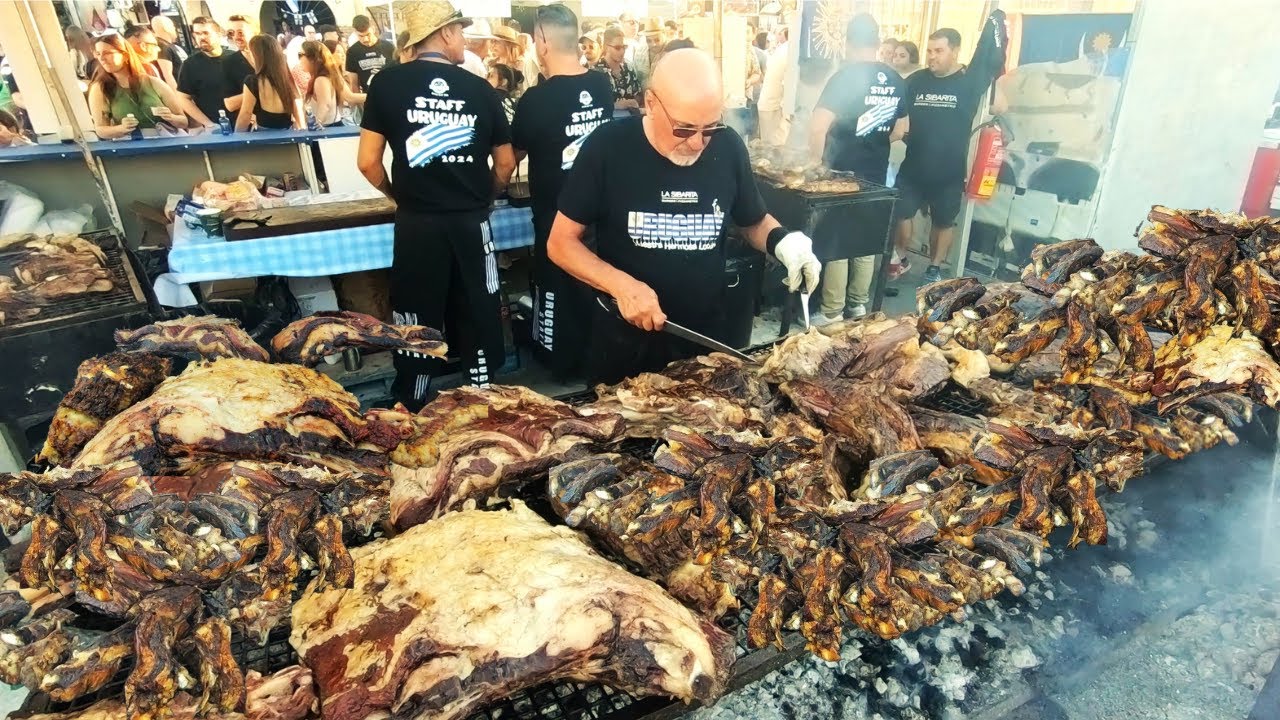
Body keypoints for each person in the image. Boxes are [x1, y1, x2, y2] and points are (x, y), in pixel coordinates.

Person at [547, 49, 821, 384]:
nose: (697, 143)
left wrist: (784, 243)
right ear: (650, 102)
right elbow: (560, 243)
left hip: (705, 338)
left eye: (710, 128)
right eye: (683, 129)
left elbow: (752, 220)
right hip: (624, 344)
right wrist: (621, 285)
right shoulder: (608, 148)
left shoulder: (729, 146)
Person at [357, 0, 516, 408]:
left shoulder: (387, 84)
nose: (464, 38)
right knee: (478, 302)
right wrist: (487, 194)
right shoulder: (481, 89)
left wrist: (397, 194)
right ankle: (482, 391)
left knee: (416, 307)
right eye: (460, 30)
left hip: (417, 223)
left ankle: (412, 395)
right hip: (470, 220)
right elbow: (505, 162)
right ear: (445, 33)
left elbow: (368, 162)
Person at [511, 3, 614, 380]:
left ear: (541, 42)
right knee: (596, 284)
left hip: (555, 217)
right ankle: (596, 361)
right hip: (599, 215)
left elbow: (512, 156)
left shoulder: (536, 100)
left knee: (556, 291)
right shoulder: (602, 84)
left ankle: (561, 368)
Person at [893, 12, 1007, 285]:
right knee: (900, 213)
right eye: (930, 51)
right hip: (913, 166)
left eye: (939, 51)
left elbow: (1001, 103)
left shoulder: (969, 81)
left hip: (949, 170)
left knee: (943, 222)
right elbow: (897, 111)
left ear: (954, 51)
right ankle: (902, 257)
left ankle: (934, 267)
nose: (932, 56)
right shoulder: (916, 81)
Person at [807, 14, 908, 324]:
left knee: (838, 238)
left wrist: (816, 166)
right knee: (865, 238)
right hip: (876, 174)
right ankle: (858, 306)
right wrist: (874, 142)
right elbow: (901, 129)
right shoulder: (894, 79)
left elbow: (817, 128)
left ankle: (831, 312)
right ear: (877, 44)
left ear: (849, 43)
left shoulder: (845, 78)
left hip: (841, 174)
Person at [88, 33, 188, 139]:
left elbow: (183, 121)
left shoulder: (153, 82)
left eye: (108, 53)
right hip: (132, 148)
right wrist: (121, 128)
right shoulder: (100, 88)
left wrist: (171, 117)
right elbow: (100, 129)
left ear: (125, 55)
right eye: (98, 54)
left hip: (166, 142)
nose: (102, 58)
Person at [174, 17, 245, 127]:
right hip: (215, 128)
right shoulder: (190, 65)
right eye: (197, 34)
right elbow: (183, 98)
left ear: (218, 34)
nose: (202, 37)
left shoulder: (237, 58)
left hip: (244, 123)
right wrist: (208, 124)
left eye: (206, 33)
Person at [236, 35, 304, 131]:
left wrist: (236, 141)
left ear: (257, 56)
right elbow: (298, 109)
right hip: (288, 136)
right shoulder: (286, 78)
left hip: (265, 140)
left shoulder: (252, 81)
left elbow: (245, 115)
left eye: (250, 52)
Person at [300, 40, 365, 126]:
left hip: (327, 129)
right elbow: (349, 97)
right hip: (334, 126)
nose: (299, 59)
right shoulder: (331, 75)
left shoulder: (321, 79)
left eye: (300, 55)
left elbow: (325, 105)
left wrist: (314, 127)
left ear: (312, 59)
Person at [594, 27, 640, 112]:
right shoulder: (595, 72)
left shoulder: (628, 67)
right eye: (618, 48)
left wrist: (633, 102)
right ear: (606, 47)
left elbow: (637, 94)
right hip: (609, 121)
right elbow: (593, 104)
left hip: (630, 120)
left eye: (624, 47)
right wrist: (615, 106)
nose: (622, 51)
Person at [756, 27, 789, 145]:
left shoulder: (785, 49)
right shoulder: (789, 51)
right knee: (774, 148)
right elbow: (787, 87)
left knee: (769, 147)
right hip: (773, 107)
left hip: (770, 105)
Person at [346, 15, 394, 91]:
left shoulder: (388, 47)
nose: (365, 39)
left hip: (389, 92)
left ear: (373, 29)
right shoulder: (352, 52)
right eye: (360, 36)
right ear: (355, 32)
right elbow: (354, 84)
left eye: (368, 34)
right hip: (367, 96)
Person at [223, 15, 258, 114]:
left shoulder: (271, 56)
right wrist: (262, 89)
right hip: (251, 123)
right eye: (232, 33)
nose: (236, 37)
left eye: (240, 32)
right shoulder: (229, 63)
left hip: (281, 121)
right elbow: (230, 104)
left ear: (255, 32)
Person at [489, 26, 526, 94]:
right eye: (492, 41)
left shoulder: (520, 64)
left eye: (497, 41)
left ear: (507, 44)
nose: (493, 45)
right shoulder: (491, 63)